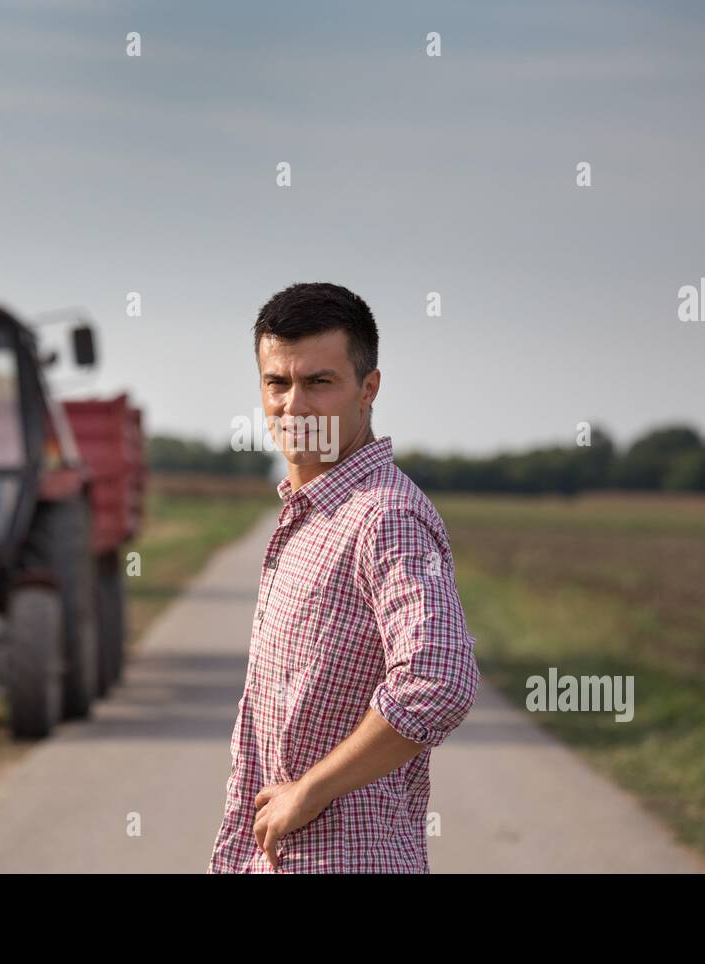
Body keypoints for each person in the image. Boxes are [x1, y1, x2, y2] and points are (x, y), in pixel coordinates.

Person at [207, 282, 480, 873]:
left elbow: (439, 681)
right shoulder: (312, 515)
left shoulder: (386, 517)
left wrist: (308, 793)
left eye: (319, 382)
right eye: (277, 383)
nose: (293, 406)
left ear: (368, 388)